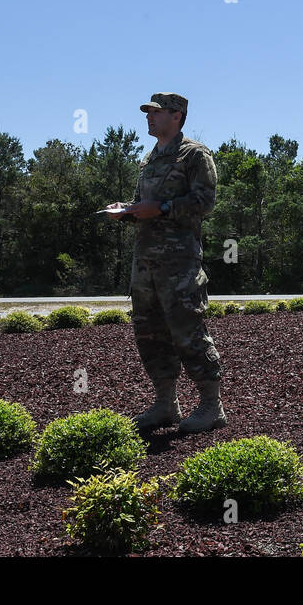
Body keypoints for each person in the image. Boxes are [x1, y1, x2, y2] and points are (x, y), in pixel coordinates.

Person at [103, 92, 225, 434]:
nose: (149, 117)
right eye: (148, 113)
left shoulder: (195, 155)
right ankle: (165, 404)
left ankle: (211, 406)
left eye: (156, 112)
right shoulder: (150, 159)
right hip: (145, 265)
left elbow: (205, 200)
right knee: (150, 333)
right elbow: (148, 204)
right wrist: (127, 209)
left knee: (188, 331)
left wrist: (164, 208)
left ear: (178, 115)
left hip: (179, 263)